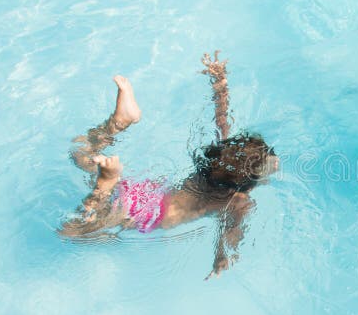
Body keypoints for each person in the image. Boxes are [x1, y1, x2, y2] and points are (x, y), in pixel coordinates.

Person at [60, 51, 278, 279]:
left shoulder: (219, 157)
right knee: (73, 232)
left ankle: (116, 125)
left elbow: (221, 118)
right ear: (246, 183)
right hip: (150, 214)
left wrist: (220, 82)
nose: (274, 165)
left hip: (146, 192)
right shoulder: (239, 202)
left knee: (81, 153)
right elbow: (231, 235)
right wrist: (222, 257)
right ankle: (104, 184)